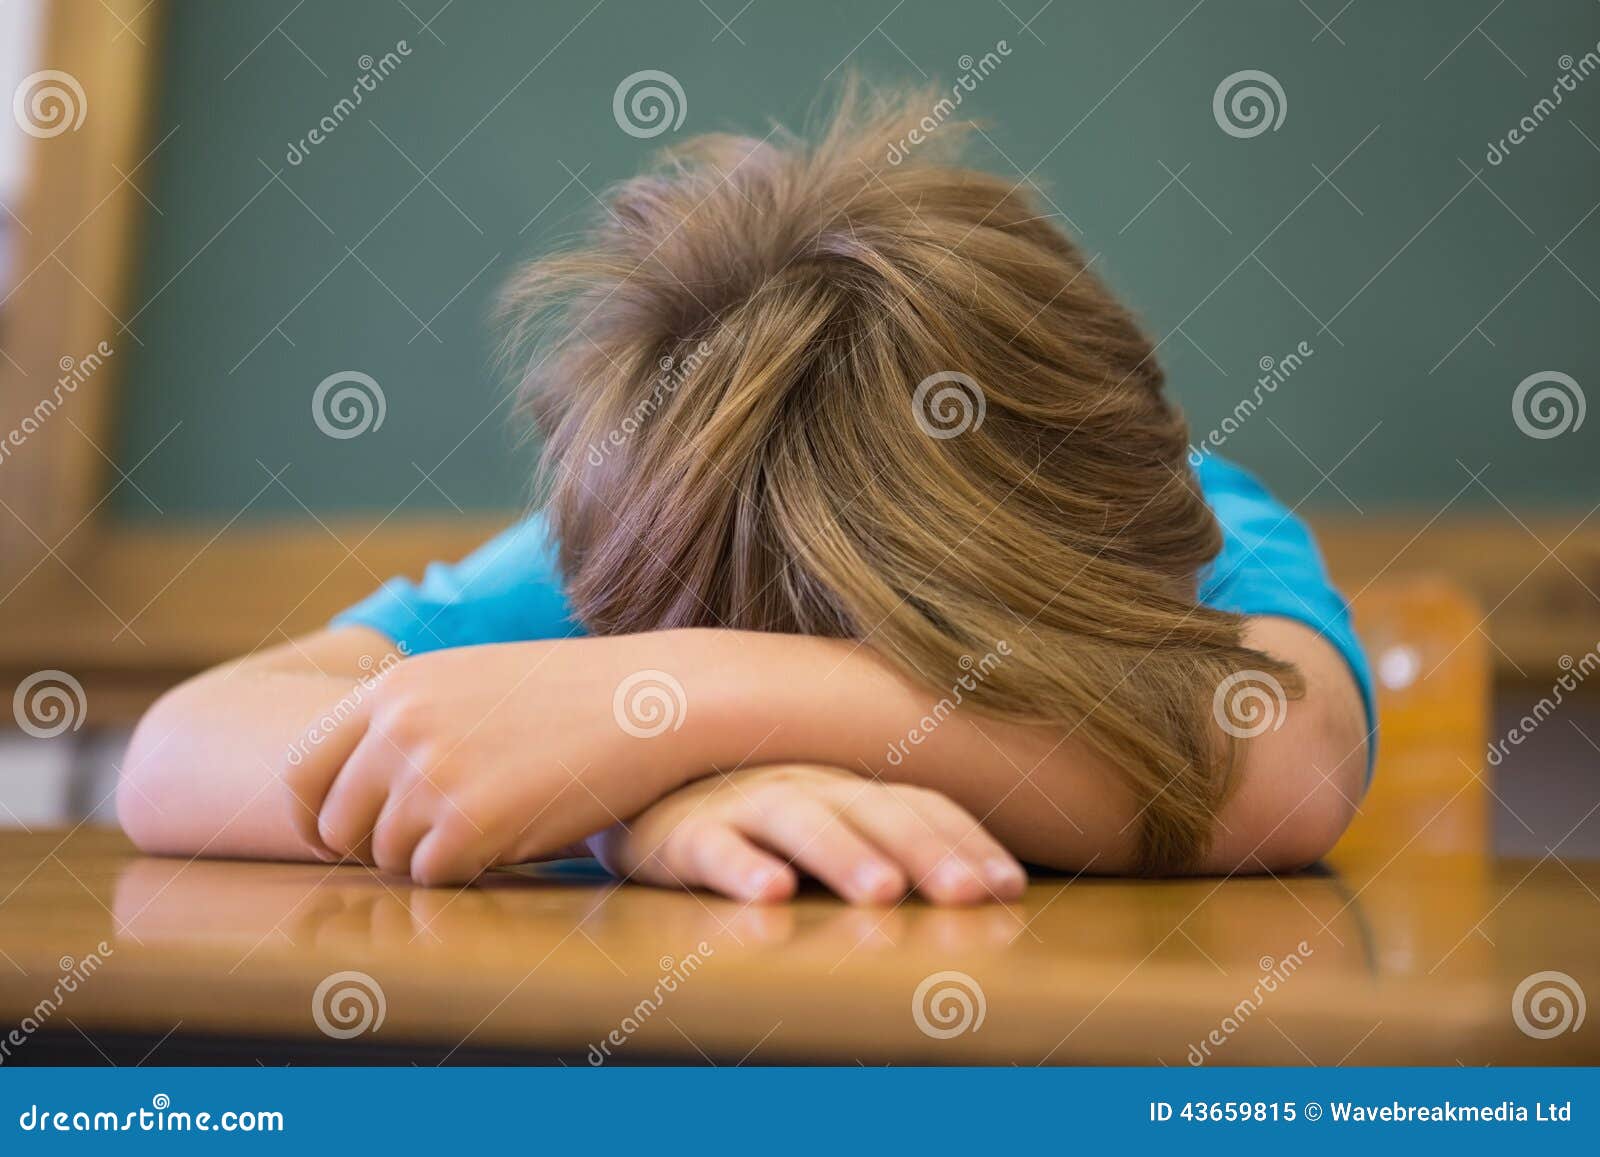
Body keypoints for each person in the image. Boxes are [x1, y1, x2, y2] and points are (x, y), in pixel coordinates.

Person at [118, 88, 1374, 906]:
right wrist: (648, 801)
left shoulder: (1182, 514)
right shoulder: (676, 519)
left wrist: (664, 711)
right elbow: (177, 750)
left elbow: (1285, 763)